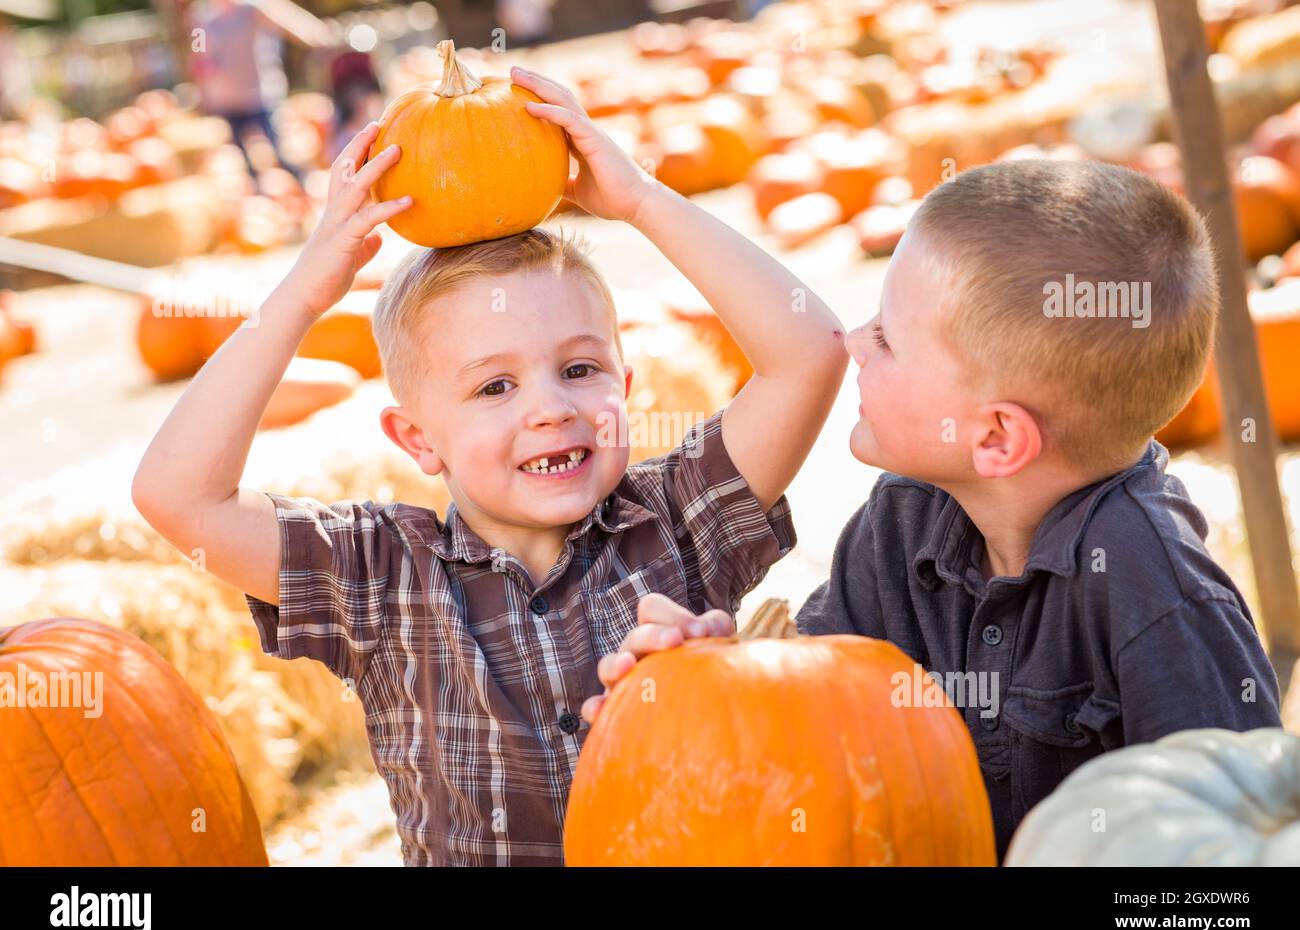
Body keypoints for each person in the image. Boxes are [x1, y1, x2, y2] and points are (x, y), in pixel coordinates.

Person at [131, 66, 848, 865]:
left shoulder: (679, 520)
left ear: (627, 388)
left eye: (579, 370)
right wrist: (303, 292)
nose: (549, 408)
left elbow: (809, 355)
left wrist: (642, 199)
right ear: (417, 439)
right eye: (495, 385)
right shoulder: (380, 577)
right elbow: (178, 496)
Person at [586, 159, 1284, 862]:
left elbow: (1231, 846)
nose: (853, 341)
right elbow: (813, 713)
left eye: (886, 337)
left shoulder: (1158, 593)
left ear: (996, 438)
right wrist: (710, 678)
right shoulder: (903, 522)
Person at [186, 0, 328, 183]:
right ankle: (264, 198)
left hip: (259, 96)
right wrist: (203, 76)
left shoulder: (253, 8)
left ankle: (305, 185)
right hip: (225, 100)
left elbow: (291, 23)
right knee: (242, 161)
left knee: (280, 150)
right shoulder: (202, 17)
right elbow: (200, 54)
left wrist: (319, 36)